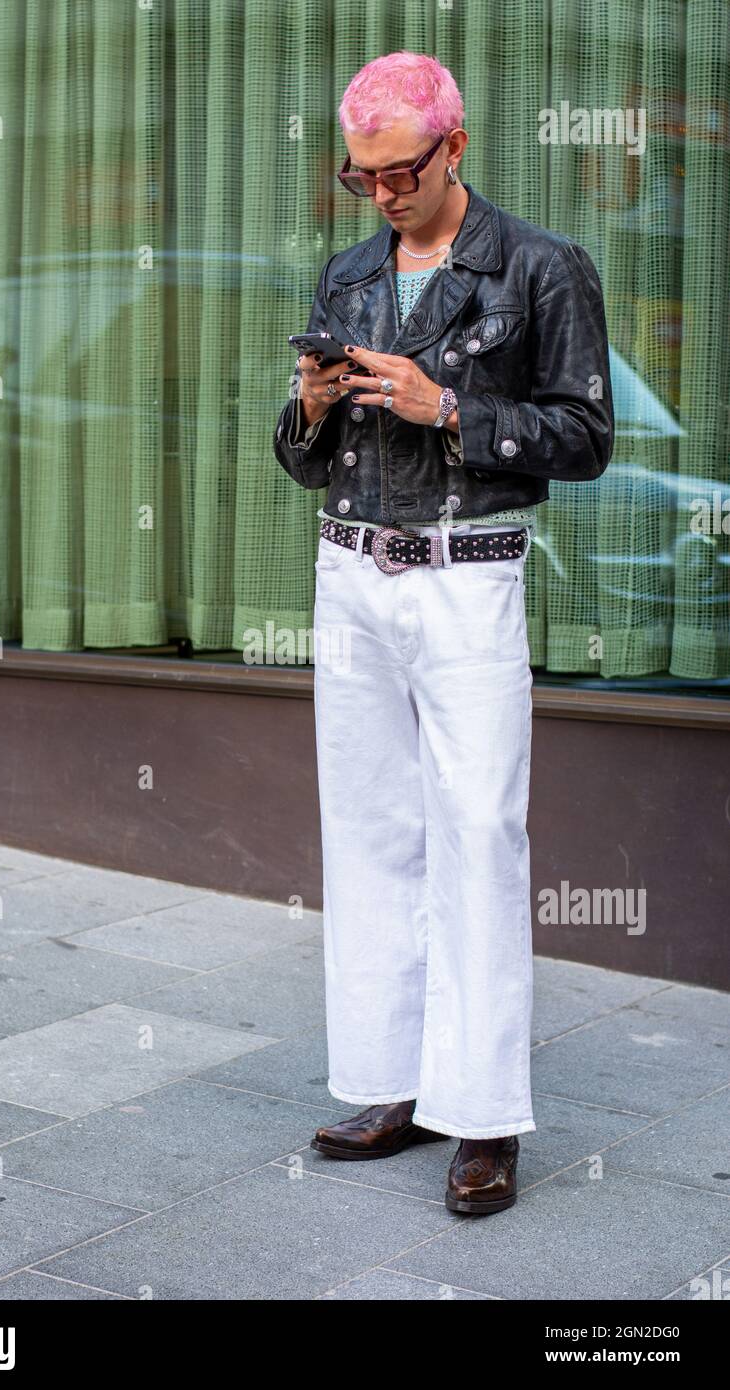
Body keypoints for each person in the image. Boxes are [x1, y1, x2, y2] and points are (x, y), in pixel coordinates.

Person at [273, 52, 613, 1214]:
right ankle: (387, 1081)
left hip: (467, 576)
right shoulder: (348, 271)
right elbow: (298, 456)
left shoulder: (541, 267)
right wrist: (308, 410)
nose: (379, 194)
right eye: (360, 175)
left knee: (477, 835)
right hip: (351, 569)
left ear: (455, 149)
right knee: (366, 829)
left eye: (398, 172)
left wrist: (449, 407)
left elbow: (583, 435)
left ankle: (480, 1115)